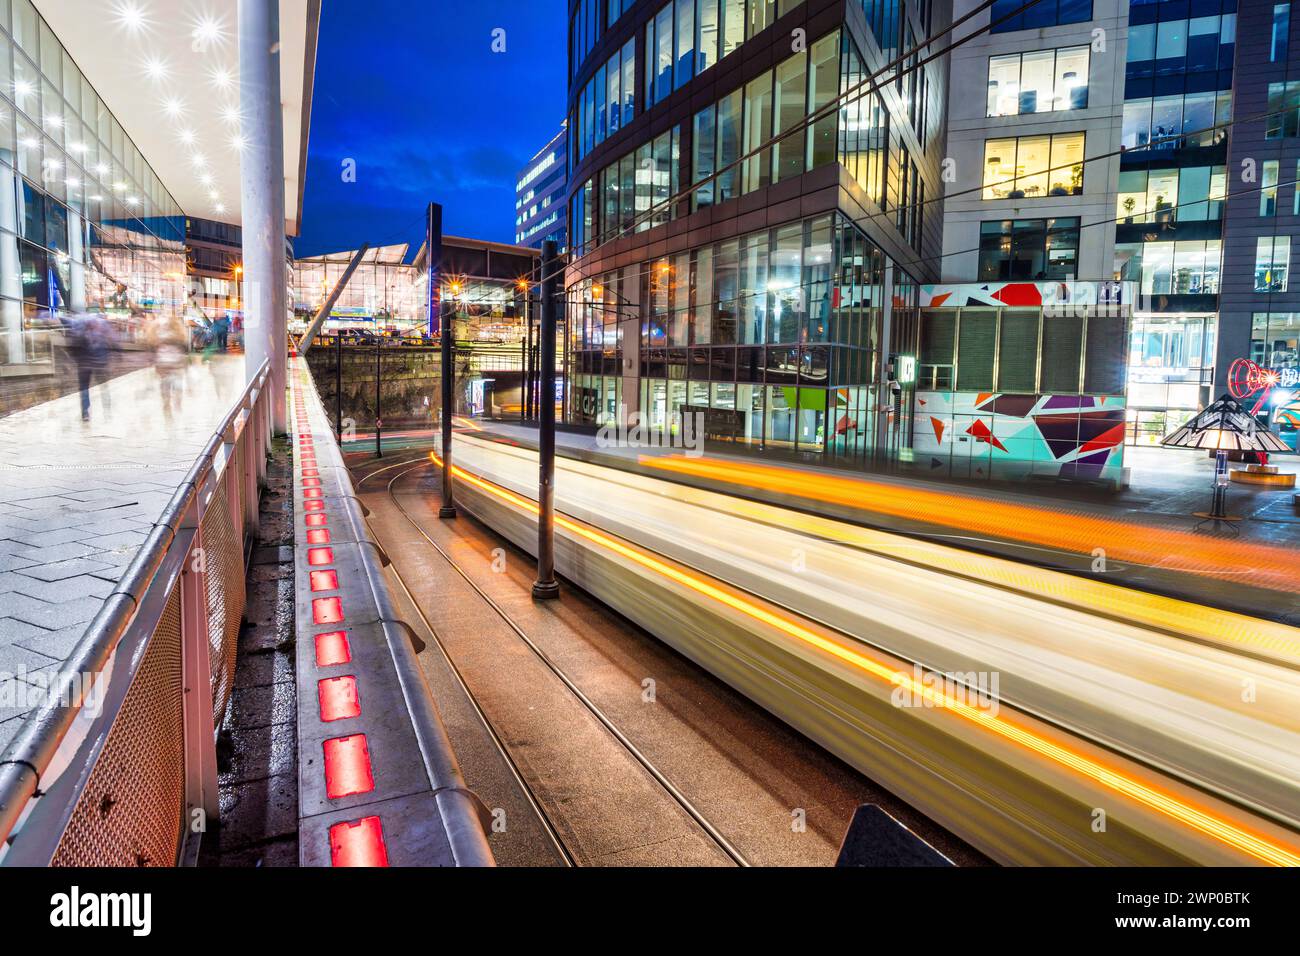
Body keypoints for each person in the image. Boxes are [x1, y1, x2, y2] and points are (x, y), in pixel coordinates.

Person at [64, 311, 115, 421]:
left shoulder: (86, 334)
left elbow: (109, 347)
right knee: (88, 389)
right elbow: (73, 349)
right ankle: (87, 413)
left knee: (95, 388)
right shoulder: (95, 334)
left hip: (93, 365)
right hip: (90, 366)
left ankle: (103, 409)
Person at [145, 310, 190, 418]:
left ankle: (167, 407)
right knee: (177, 386)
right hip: (174, 364)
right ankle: (175, 405)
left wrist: (154, 362)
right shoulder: (179, 332)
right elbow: (185, 348)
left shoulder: (157, 332)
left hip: (163, 363)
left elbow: (152, 347)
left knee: (165, 386)